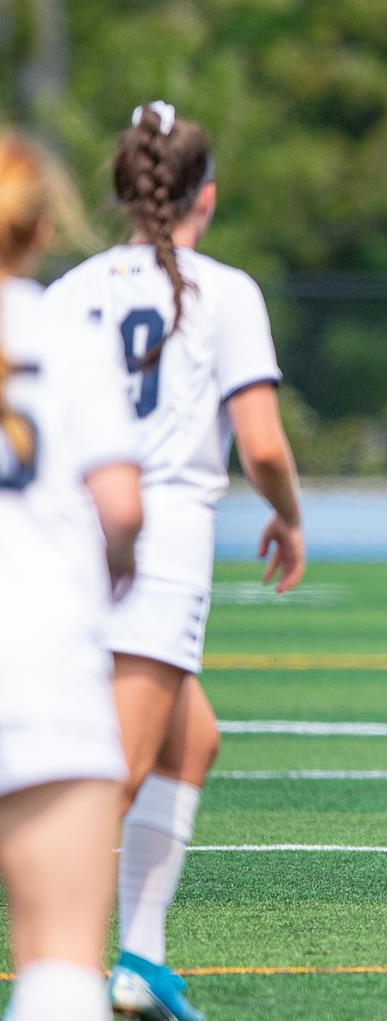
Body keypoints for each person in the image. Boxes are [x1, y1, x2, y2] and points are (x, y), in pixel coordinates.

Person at [48, 102, 306, 1021]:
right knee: (108, 771)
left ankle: (138, 962)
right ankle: (61, 978)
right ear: (207, 193)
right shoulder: (223, 290)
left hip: (68, 532)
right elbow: (263, 445)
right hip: (157, 542)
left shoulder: (70, 286)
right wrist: (287, 515)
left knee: (189, 738)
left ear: (122, 187)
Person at [0, 135, 142, 1021]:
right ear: (43, 225)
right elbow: (120, 507)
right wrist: (116, 570)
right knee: (59, 969)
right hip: (43, 655)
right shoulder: (68, 333)